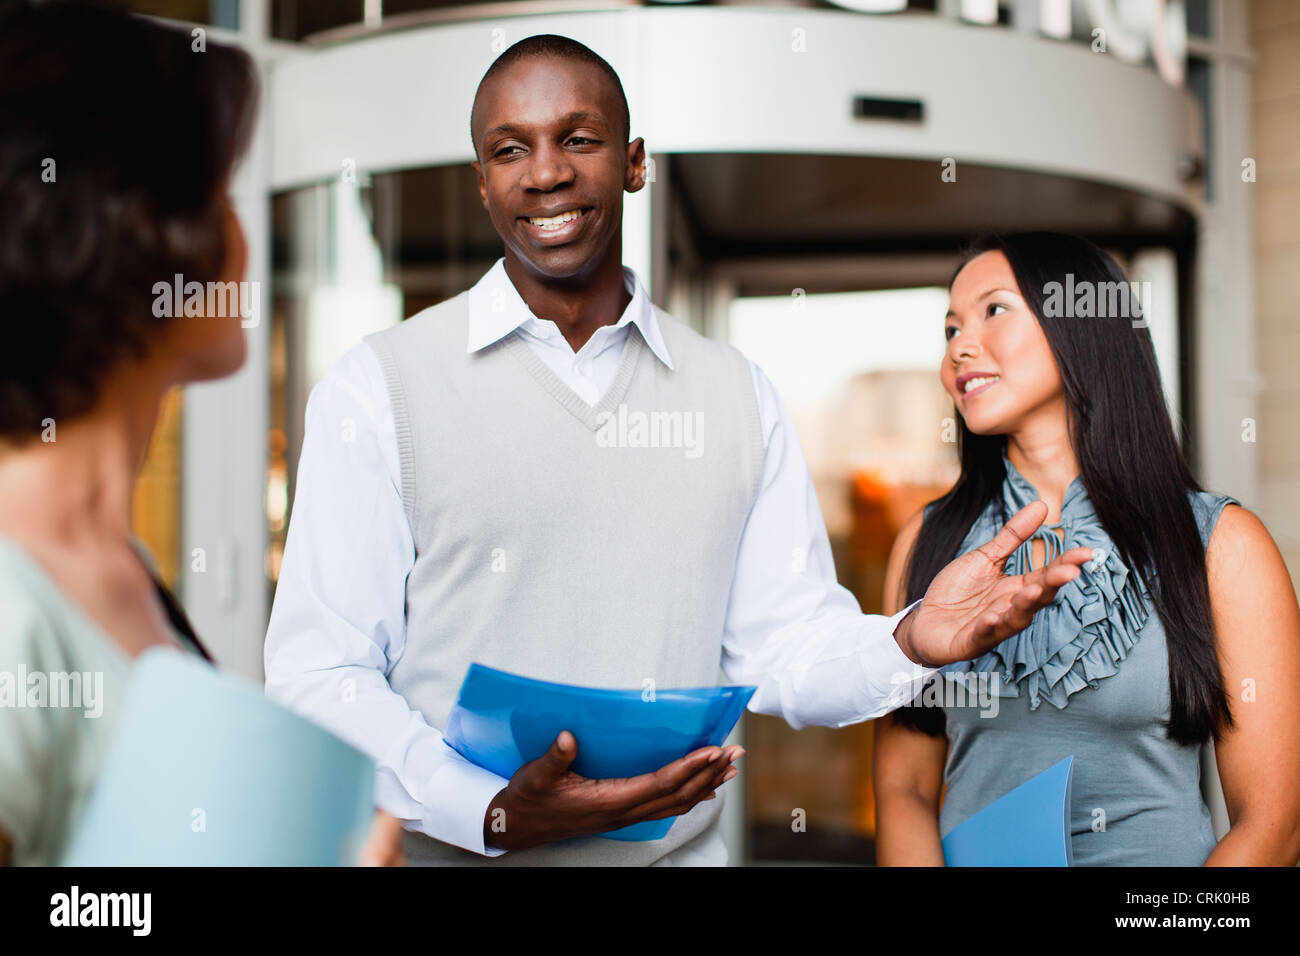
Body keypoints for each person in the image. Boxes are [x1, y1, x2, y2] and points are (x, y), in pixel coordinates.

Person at [264, 36, 1094, 866]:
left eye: (578, 139)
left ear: (634, 164)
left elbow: (783, 647)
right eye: (509, 149)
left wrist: (908, 640)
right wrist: (488, 810)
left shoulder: (738, 395)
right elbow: (317, 675)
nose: (545, 173)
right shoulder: (377, 386)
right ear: (482, 181)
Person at [0, 0, 403, 866]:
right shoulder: (9, 607)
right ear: (138, 229)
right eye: (220, 195)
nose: (242, 237)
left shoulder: (121, 570)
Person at [872, 232, 1300, 866]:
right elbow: (904, 788)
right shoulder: (926, 542)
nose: (960, 347)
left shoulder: (1221, 544)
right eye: (949, 328)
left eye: (994, 310)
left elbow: (1274, 825)